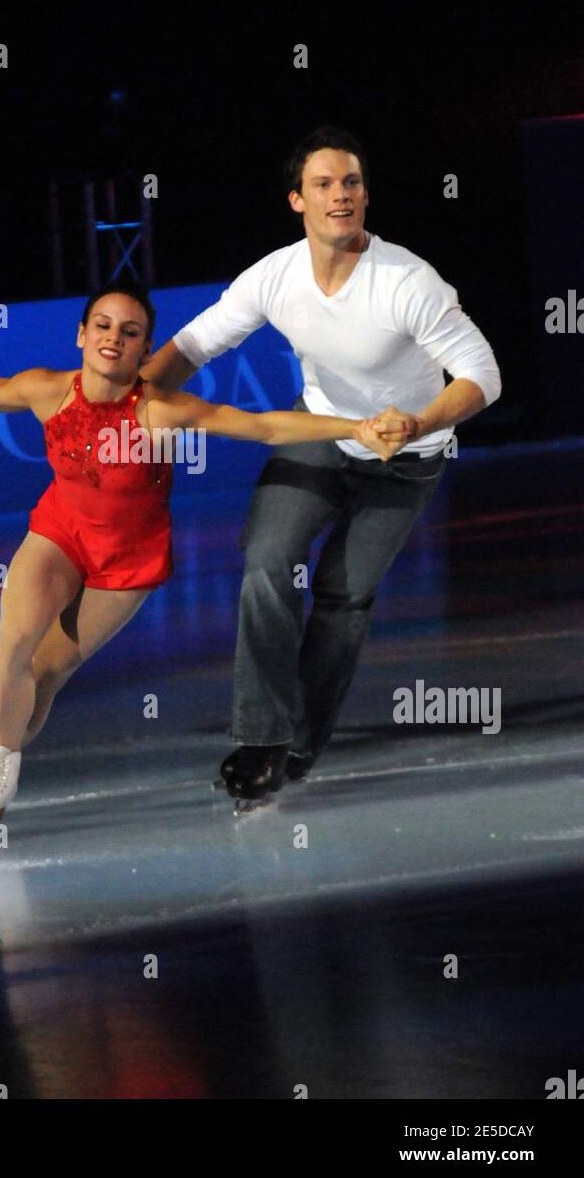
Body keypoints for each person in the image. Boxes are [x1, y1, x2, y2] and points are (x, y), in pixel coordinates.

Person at [0, 277, 410, 834]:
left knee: (46, 670)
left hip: (127, 562)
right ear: (81, 334)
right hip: (60, 534)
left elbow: (262, 428)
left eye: (129, 331)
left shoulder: (159, 410)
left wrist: (354, 430)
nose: (112, 338)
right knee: (13, 644)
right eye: (102, 325)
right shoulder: (48, 390)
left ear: (145, 347)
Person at [140, 126, 503, 805]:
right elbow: (193, 345)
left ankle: (300, 743)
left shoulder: (408, 281)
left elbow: (483, 374)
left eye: (352, 182)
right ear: (296, 200)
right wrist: (124, 400)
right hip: (321, 434)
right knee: (265, 561)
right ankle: (261, 737)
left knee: (340, 598)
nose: (341, 195)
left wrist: (419, 422)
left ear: (365, 194)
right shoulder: (275, 275)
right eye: (325, 184)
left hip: (406, 459)